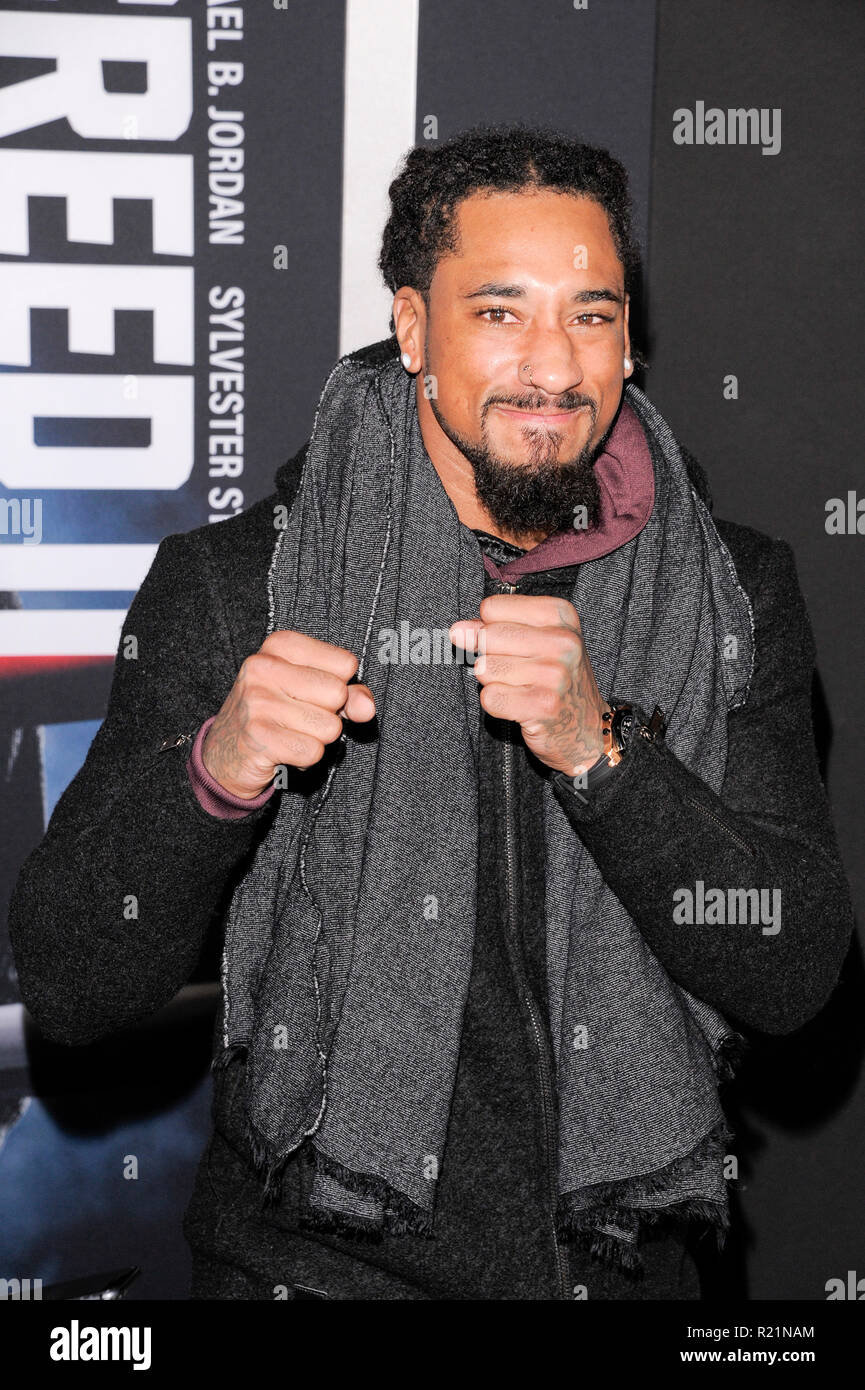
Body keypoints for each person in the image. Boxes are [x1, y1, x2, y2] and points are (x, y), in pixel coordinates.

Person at [9, 124, 854, 1301]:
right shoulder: (242, 584)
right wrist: (219, 769)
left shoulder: (727, 589)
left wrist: (605, 759)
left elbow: (797, 968)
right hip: (315, 1267)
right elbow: (67, 980)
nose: (553, 365)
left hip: (614, 1272)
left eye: (592, 313)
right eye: (499, 312)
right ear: (412, 328)